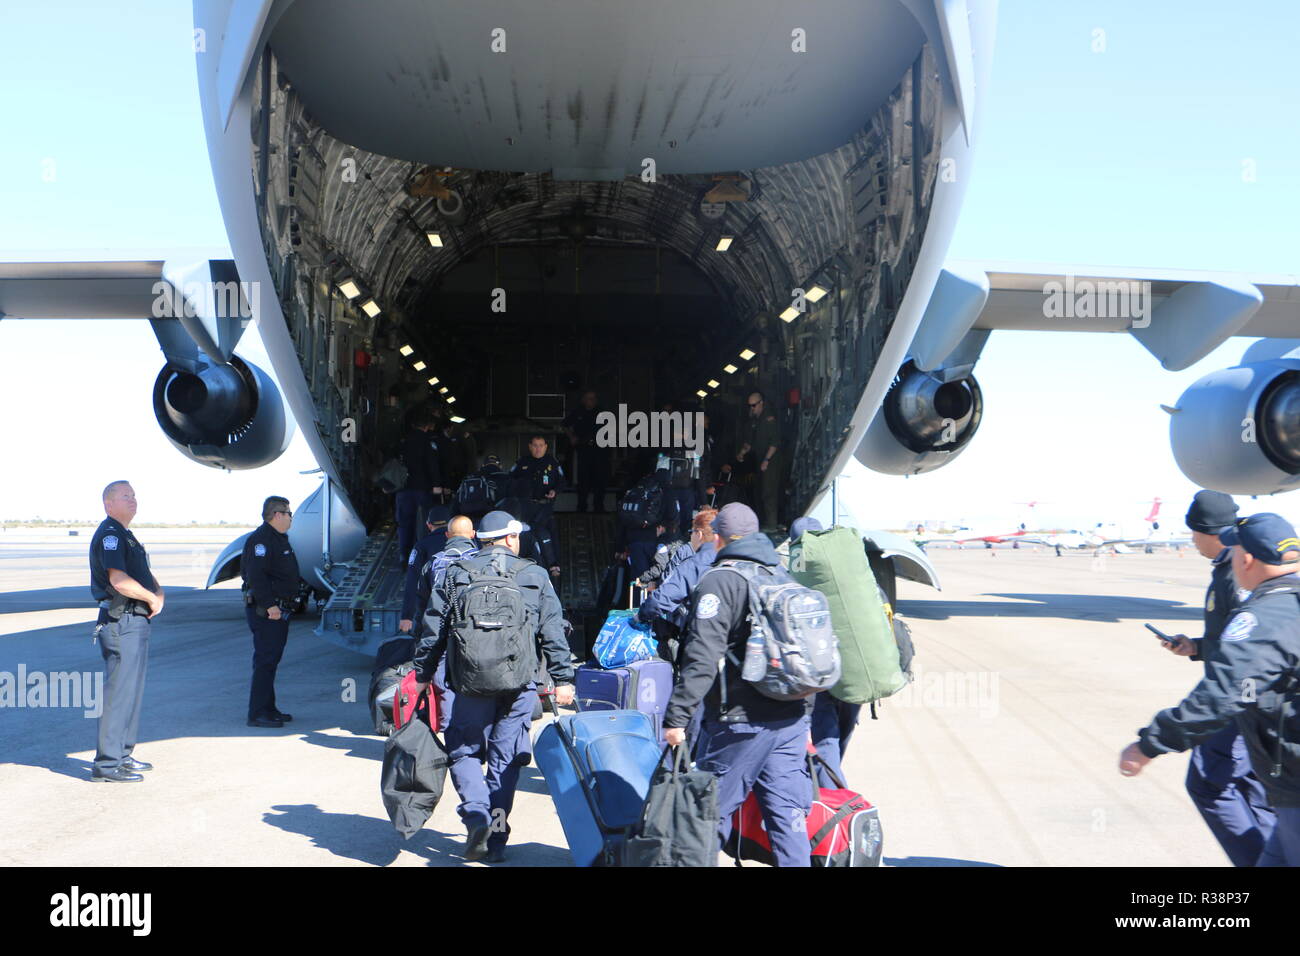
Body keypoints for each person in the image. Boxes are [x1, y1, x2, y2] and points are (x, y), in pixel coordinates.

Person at [1120, 512, 1300, 866]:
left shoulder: (1263, 619)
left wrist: (1149, 744)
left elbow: (1219, 696)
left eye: (1233, 552)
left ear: (1246, 559)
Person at [413, 510, 575, 862]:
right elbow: (552, 629)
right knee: (506, 761)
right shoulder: (534, 574)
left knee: (464, 751)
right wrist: (563, 679)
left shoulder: (456, 573)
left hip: (469, 683)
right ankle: (496, 839)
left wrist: (422, 674)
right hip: (519, 685)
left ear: (478, 540)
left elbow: (433, 631)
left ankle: (476, 816)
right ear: (510, 538)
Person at [662, 502, 813, 866]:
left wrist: (677, 717)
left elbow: (701, 657)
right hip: (791, 718)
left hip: (742, 722)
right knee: (787, 818)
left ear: (718, 538)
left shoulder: (721, 580)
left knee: (706, 815)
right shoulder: (781, 574)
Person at [1156, 491, 1276, 866]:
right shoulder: (1234, 566)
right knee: (1252, 788)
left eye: (1193, 533)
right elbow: (1234, 638)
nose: (1191, 542)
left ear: (1206, 532)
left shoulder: (1235, 573)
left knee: (1209, 782)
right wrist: (1195, 647)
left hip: (1239, 697)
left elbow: (1253, 644)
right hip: (1249, 695)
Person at [89, 481, 163, 782]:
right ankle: (106, 766)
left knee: (132, 693)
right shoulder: (110, 534)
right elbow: (118, 580)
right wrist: (149, 597)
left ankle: (123, 754)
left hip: (137, 620)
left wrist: (158, 592)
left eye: (134, 495)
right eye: (125, 496)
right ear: (109, 504)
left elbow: (142, 573)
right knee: (119, 695)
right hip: (122, 622)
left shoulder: (126, 536)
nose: (133, 500)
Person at [788, 516, 863, 788]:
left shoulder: (796, 569)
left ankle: (833, 793)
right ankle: (831, 779)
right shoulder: (848, 569)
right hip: (856, 667)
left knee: (825, 738)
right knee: (841, 733)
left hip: (822, 668)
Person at [241, 496, 300, 728]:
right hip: (268, 612)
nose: (290, 517)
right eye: (288, 513)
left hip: (278, 610)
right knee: (265, 661)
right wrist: (270, 606)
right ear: (277, 515)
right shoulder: (262, 541)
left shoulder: (277, 539)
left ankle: (268, 708)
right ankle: (257, 713)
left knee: (271, 661)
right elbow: (256, 576)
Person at [510, 435, 563, 578]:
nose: (538, 448)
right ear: (529, 446)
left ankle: (554, 564)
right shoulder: (522, 462)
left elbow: (562, 481)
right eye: (535, 445)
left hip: (544, 505)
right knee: (525, 534)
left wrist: (555, 491)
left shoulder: (552, 462)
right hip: (525, 506)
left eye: (540, 445)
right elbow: (510, 480)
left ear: (546, 446)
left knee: (548, 533)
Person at [397, 408, 444, 562]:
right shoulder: (428, 441)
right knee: (425, 522)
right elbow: (432, 464)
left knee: (405, 523)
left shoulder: (403, 441)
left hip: (403, 487)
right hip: (422, 488)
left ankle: (404, 554)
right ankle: (423, 553)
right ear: (426, 426)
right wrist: (437, 484)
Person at [399, 505, 451, 634]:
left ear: (428, 525)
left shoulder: (421, 546)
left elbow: (412, 580)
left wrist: (407, 616)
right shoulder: (465, 544)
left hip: (431, 609)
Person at [737, 391, 782, 531]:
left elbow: (774, 443)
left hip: (770, 461)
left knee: (769, 492)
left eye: (754, 405)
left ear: (761, 403)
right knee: (760, 491)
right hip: (759, 460)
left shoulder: (769, 419)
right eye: (749, 406)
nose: (751, 408)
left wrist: (767, 460)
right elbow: (750, 443)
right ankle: (763, 521)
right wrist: (742, 453)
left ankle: (772, 524)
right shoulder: (754, 421)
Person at [563, 389, 609, 513]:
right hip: (584, 450)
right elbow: (565, 424)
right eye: (589, 398)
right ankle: (581, 507)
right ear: (583, 400)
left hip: (600, 450)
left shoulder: (602, 412)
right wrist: (572, 437)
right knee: (583, 479)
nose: (591, 401)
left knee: (600, 479)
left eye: (593, 398)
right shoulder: (578, 412)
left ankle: (599, 507)